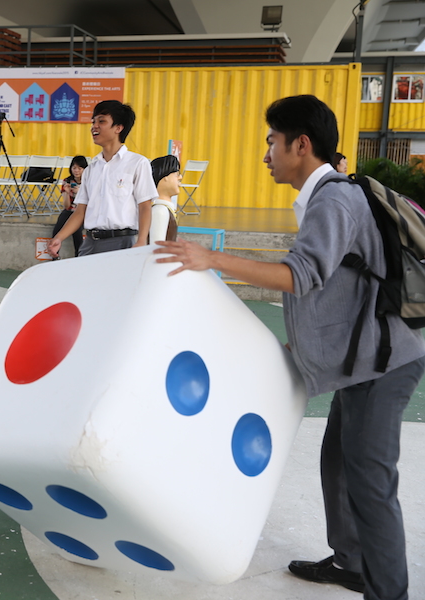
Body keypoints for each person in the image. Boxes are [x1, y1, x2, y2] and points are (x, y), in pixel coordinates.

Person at [155, 94, 425, 600]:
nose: (266, 154)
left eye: (272, 142)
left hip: (382, 365)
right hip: (360, 358)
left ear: (301, 145)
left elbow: (300, 277)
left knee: (370, 484)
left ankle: (388, 592)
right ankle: (351, 561)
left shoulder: (334, 200)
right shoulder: (328, 199)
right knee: (337, 464)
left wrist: (210, 258)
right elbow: (338, 285)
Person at [47, 100, 156, 258]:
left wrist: (141, 241)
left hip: (122, 243)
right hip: (90, 243)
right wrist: (59, 237)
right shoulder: (91, 169)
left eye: (101, 121)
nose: (94, 126)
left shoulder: (138, 163)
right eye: (93, 121)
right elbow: (80, 211)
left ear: (118, 128)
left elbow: (145, 206)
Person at [50, 155, 88, 258]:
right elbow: (67, 206)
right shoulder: (67, 181)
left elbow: (90, 202)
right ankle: (54, 255)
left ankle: (78, 256)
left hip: (84, 212)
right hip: (70, 210)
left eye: (80, 168)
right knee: (57, 228)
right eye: (74, 168)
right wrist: (66, 193)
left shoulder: (88, 182)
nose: (76, 171)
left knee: (77, 230)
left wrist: (80, 193)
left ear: (85, 169)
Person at [148, 155, 181, 244]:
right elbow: (156, 248)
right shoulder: (160, 211)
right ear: (164, 178)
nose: (180, 178)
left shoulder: (164, 209)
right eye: (176, 175)